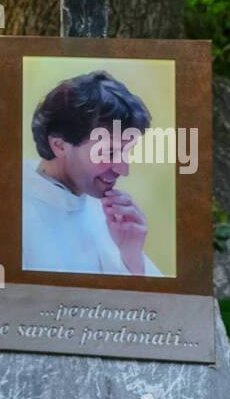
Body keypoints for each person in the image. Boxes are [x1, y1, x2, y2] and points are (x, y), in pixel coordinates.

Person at [22, 70, 164, 277]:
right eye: (109, 152)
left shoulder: (103, 212)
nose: (123, 169)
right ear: (60, 146)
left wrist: (131, 254)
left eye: (126, 152)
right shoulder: (16, 210)